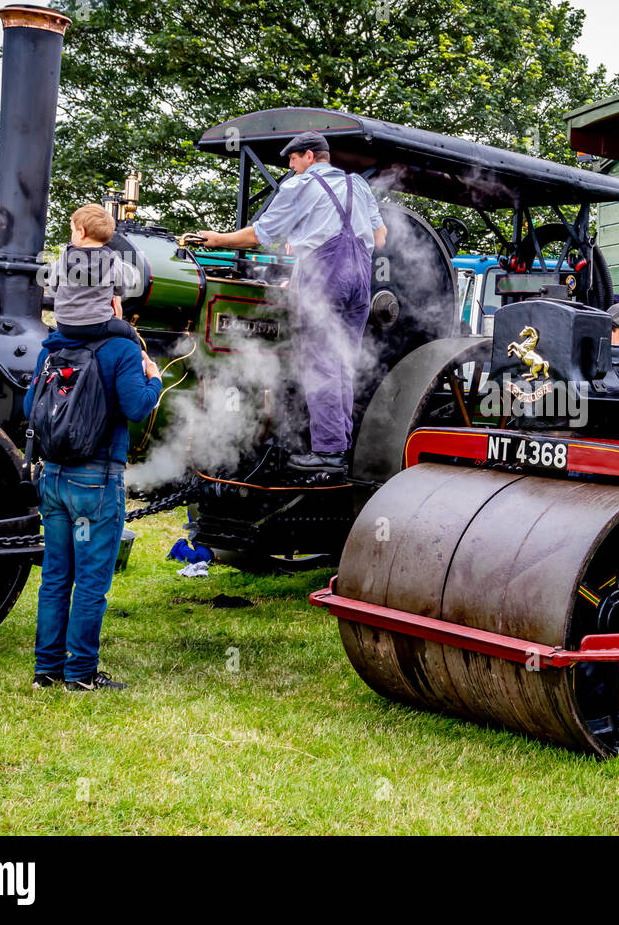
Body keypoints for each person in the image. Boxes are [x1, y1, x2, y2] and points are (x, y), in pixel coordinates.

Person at [197, 131, 388, 472]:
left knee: (320, 362)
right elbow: (380, 237)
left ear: (310, 156)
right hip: (361, 279)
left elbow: (259, 235)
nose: (290, 165)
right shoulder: (357, 184)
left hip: (324, 277)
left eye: (293, 159)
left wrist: (217, 240)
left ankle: (328, 453)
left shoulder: (299, 187)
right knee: (343, 362)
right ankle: (339, 446)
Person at [24, 321, 163, 691]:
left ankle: (46, 671)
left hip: (52, 477)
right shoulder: (122, 349)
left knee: (55, 577)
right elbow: (137, 407)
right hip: (95, 481)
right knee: (90, 581)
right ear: (109, 306)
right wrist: (155, 380)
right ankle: (81, 674)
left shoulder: (51, 348)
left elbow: (29, 404)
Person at [46, 203, 142, 343]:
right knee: (131, 334)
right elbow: (121, 290)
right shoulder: (113, 259)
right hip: (98, 325)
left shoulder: (65, 257)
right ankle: (143, 362)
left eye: (72, 230)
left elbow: (53, 286)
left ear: (81, 232)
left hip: (65, 324)